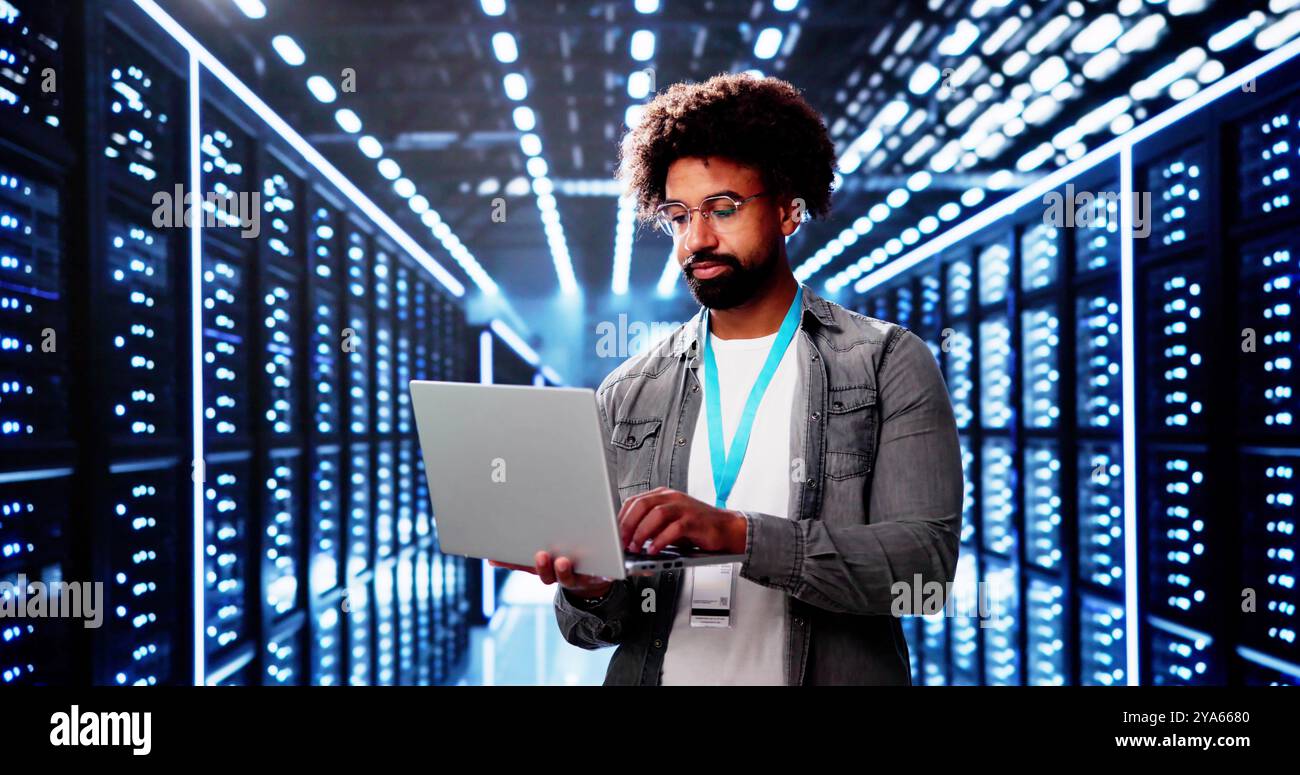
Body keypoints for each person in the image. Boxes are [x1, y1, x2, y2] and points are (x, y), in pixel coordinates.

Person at [493, 73, 963, 685]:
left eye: (724, 208)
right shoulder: (629, 391)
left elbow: (923, 575)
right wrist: (589, 590)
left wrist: (738, 535)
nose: (698, 239)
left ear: (790, 209)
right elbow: (590, 630)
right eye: (679, 215)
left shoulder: (885, 363)